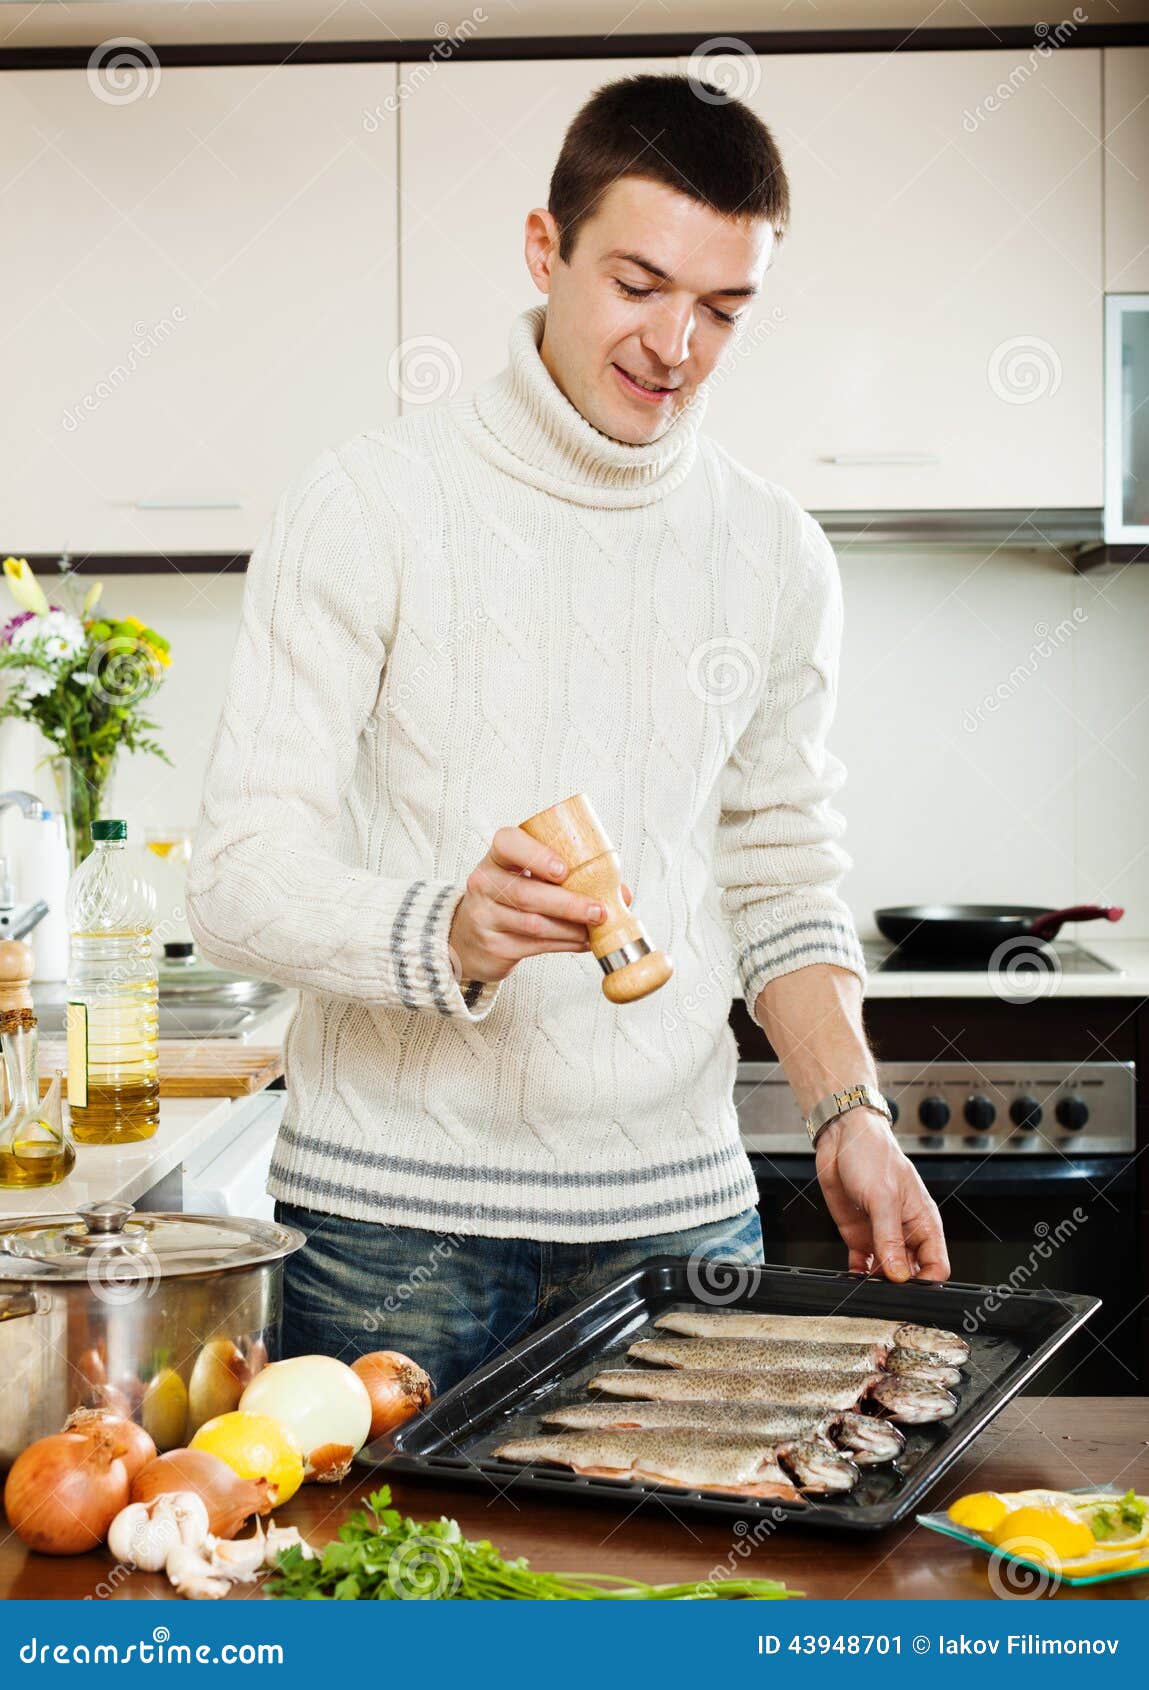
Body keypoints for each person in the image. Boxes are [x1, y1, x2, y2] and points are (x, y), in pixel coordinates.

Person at [187, 72, 949, 1395]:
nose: (676, 342)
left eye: (723, 307)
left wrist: (848, 1110)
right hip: (387, 1229)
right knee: (392, 1601)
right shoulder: (371, 502)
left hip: (678, 1220)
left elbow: (780, 869)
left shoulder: (772, 549)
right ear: (544, 249)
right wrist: (450, 930)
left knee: (674, 1604)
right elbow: (235, 881)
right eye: (639, 285)